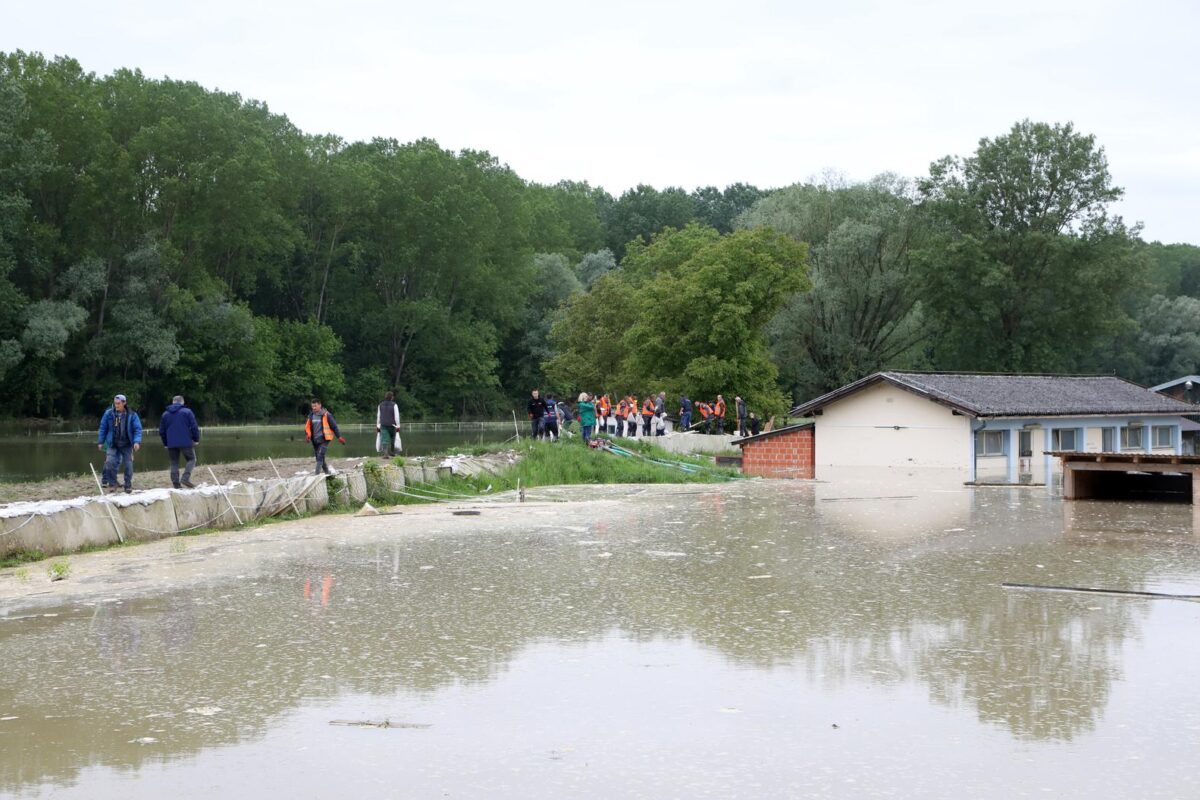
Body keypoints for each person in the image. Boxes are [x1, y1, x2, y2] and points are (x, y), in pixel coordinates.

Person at [97, 394, 143, 493]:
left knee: (128, 464)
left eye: (118, 403)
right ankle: (113, 483)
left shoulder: (132, 415)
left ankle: (128, 485)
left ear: (124, 403)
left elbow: (137, 429)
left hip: (127, 444)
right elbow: (103, 428)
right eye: (115, 403)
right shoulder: (108, 414)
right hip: (112, 444)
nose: (116, 405)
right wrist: (101, 441)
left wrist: (136, 442)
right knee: (109, 463)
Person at [159, 395, 200, 489]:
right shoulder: (187, 412)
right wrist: (196, 439)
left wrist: (165, 443)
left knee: (174, 463)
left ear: (173, 402)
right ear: (182, 402)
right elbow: (194, 427)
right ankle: (185, 478)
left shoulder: (165, 414)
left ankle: (176, 484)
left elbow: (161, 431)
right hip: (186, 441)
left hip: (171, 443)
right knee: (192, 459)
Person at [304, 399, 345, 475]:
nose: (314, 408)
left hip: (324, 439)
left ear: (320, 405)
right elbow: (307, 427)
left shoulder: (327, 415)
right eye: (312, 406)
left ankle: (316, 474)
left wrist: (339, 437)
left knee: (320, 455)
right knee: (319, 457)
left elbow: (334, 426)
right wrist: (308, 435)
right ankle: (327, 472)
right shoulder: (311, 415)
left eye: (315, 406)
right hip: (315, 440)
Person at [376, 391, 401, 457]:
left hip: (383, 424)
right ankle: (392, 452)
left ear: (385, 397)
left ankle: (385, 453)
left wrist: (378, 425)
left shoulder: (380, 405)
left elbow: (378, 416)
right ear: (392, 397)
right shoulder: (394, 405)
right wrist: (398, 426)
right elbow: (396, 416)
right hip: (392, 425)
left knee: (384, 439)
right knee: (393, 438)